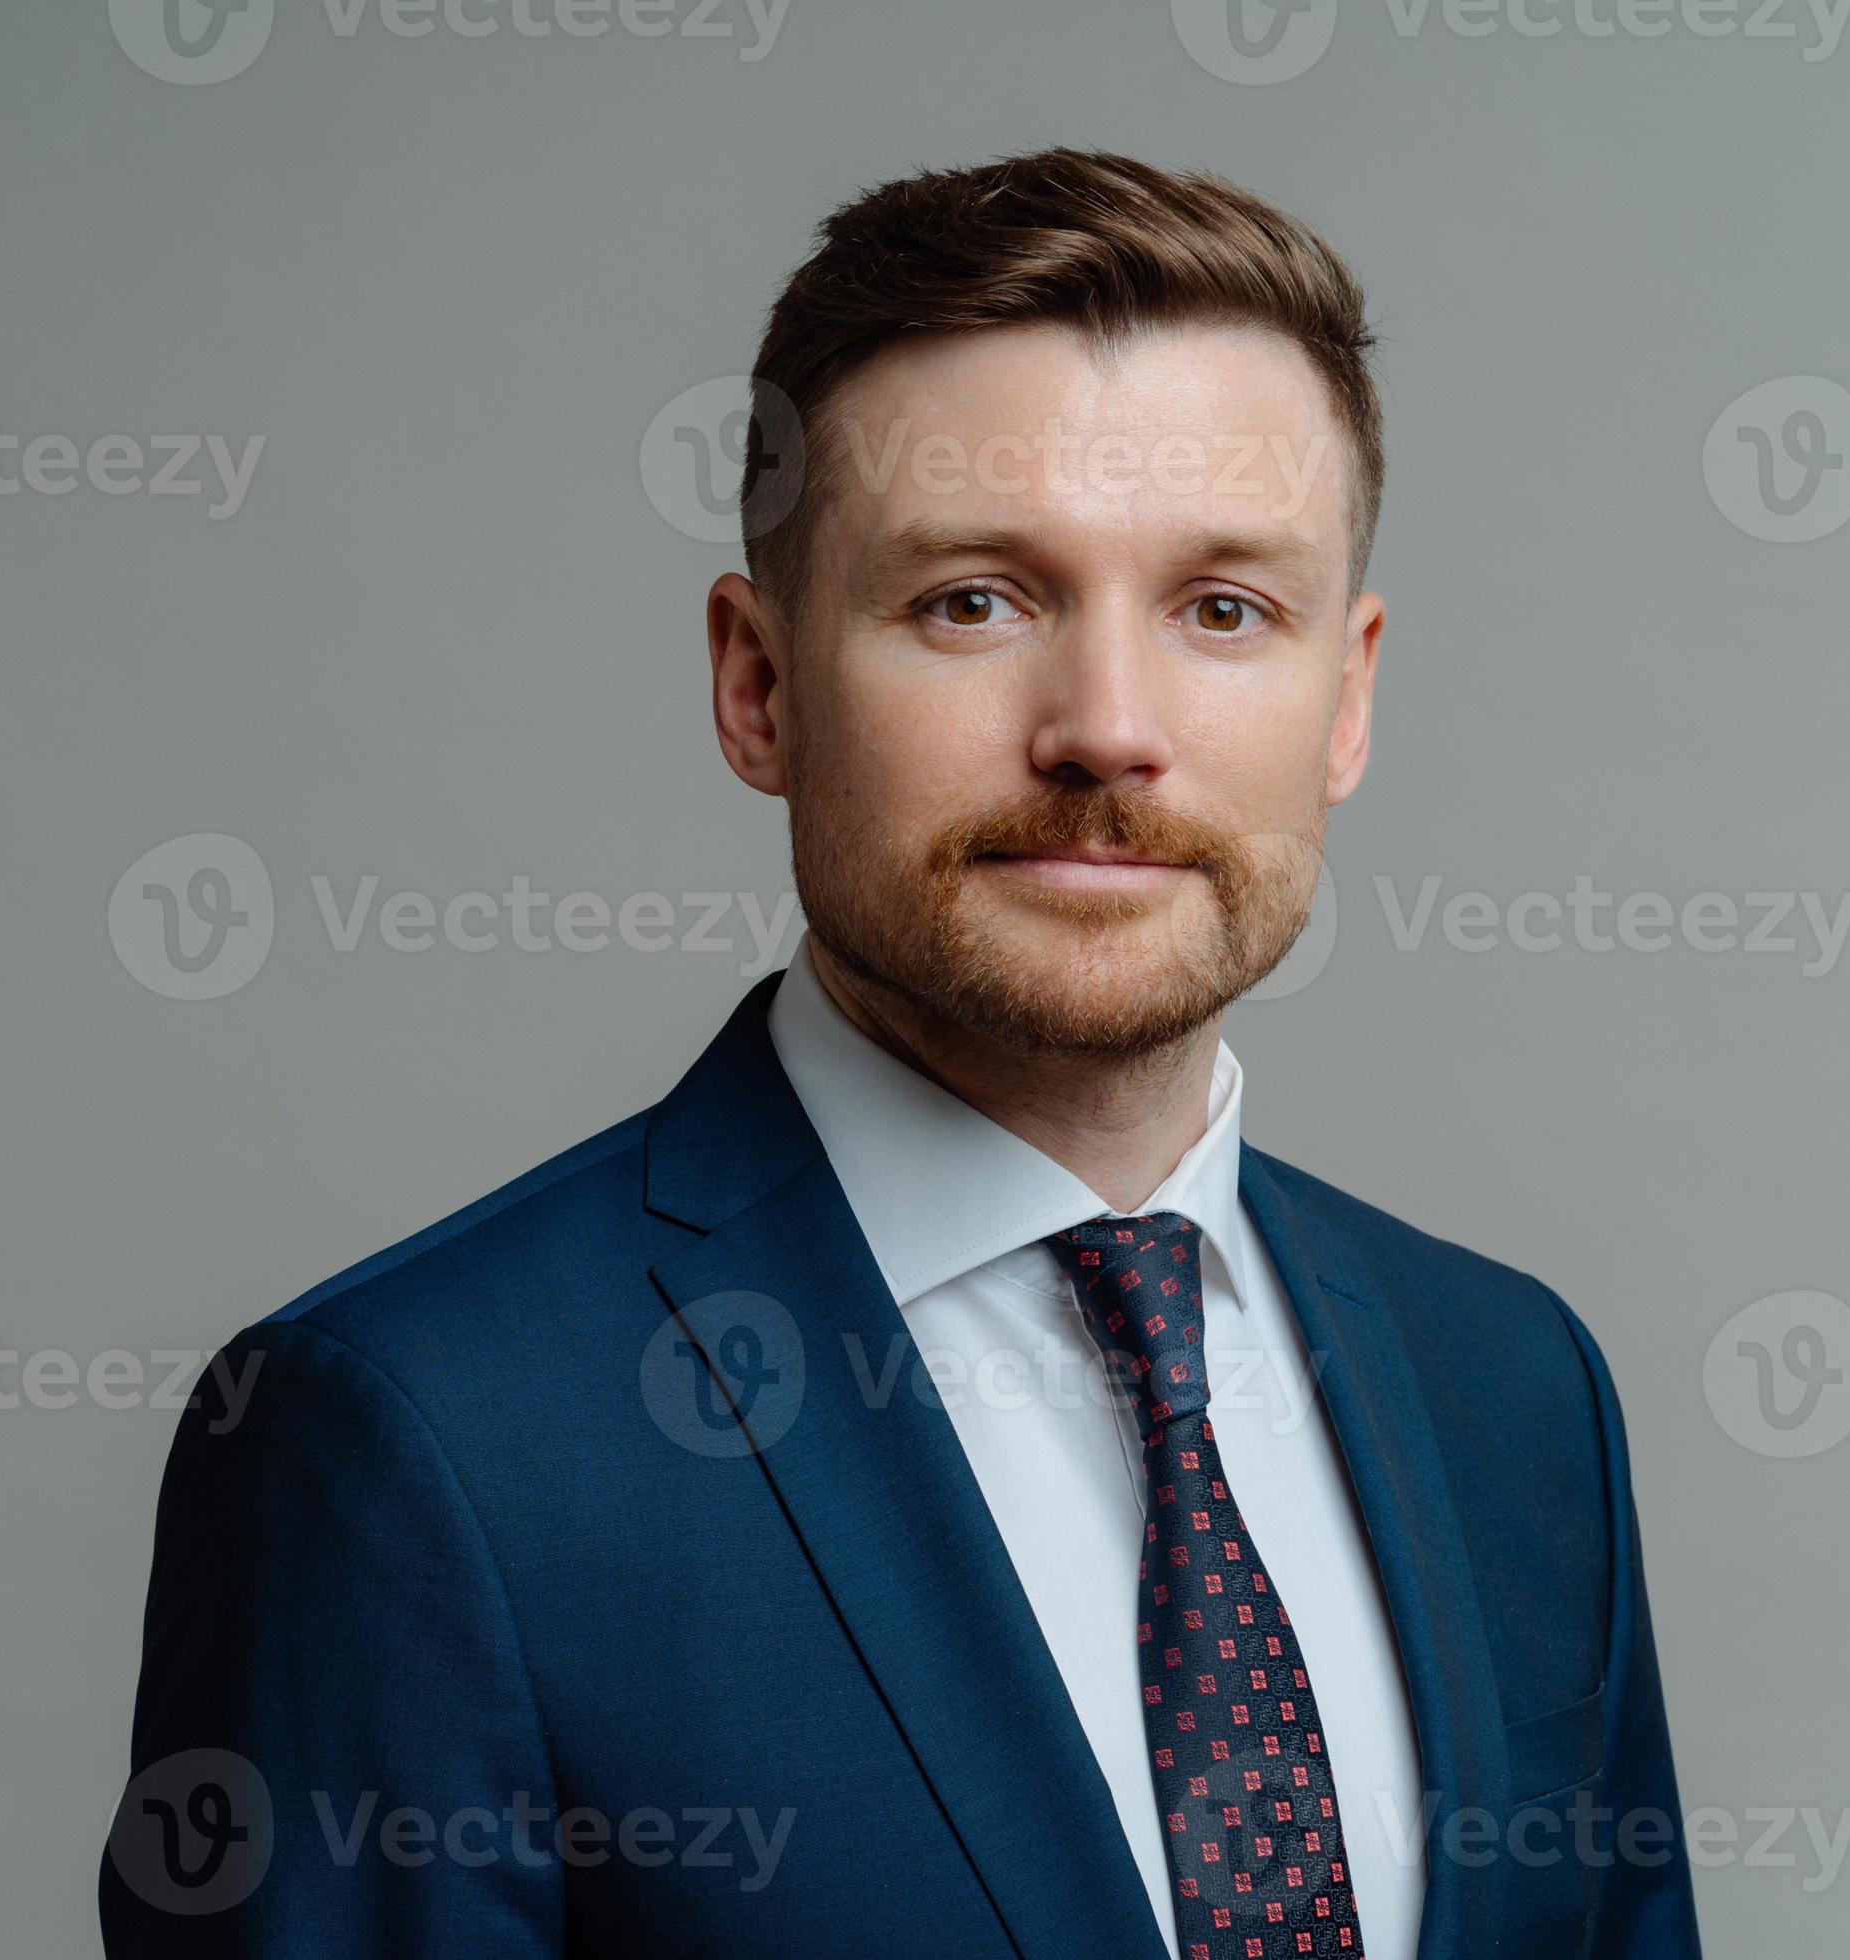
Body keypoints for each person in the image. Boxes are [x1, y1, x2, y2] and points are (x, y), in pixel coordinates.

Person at [102, 147, 1700, 1960]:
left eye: (1223, 609)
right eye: (976, 601)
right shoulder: (417, 1447)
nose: (1108, 730)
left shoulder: (1517, 1392)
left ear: (1346, 700)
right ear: (758, 686)